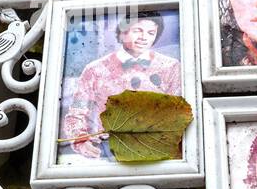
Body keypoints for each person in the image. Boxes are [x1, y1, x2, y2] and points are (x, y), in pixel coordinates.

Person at [59, 12, 181, 160]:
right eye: (138, 31)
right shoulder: (95, 70)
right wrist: (81, 141)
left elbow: (176, 113)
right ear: (123, 32)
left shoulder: (171, 67)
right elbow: (77, 110)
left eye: (151, 33)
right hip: (107, 150)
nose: (144, 38)